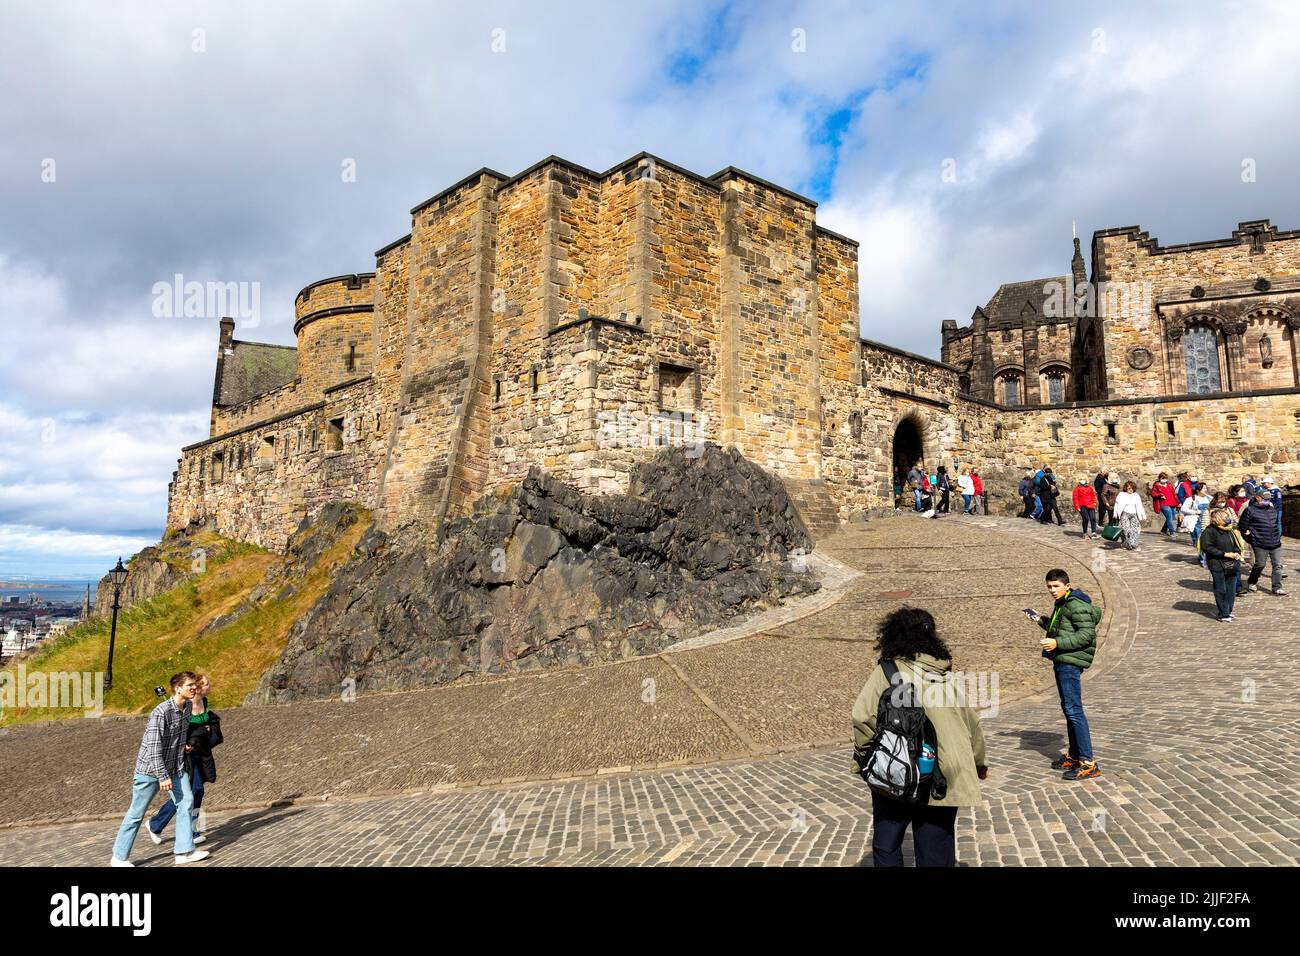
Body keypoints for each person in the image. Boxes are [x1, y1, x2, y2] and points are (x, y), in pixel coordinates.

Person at [851, 607, 988, 867]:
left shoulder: (888, 672)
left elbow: (862, 717)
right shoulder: (945, 675)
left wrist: (865, 758)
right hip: (944, 775)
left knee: (887, 844)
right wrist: (979, 763)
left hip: (896, 772)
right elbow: (972, 725)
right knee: (936, 847)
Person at [111, 672, 210, 867]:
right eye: (189, 685)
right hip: (150, 771)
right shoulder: (160, 712)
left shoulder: (188, 707)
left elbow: (178, 739)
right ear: (177, 688)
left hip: (175, 766)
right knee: (136, 813)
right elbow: (153, 748)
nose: (194, 688)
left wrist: (184, 752)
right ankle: (119, 857)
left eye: (194, 685)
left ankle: (183, 852)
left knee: (187, 801)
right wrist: (163, 776)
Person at [1027, 569, 1101, 780]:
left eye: (1056, 586)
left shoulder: (1075, 605)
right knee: (1069, 708)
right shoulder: (1063, 603)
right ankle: (1075, 755)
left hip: (1069, 661)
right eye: (1049, 586)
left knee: (1074, 709)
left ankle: (1088, 762)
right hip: (1062, 660)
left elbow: (1086, 635)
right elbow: (1060, 627)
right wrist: (1040, 620)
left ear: (1067, 586)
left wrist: (1057, 643)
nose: (1052, 590)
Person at [147, 673, 220, 846]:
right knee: (190, 792)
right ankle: (160, 824)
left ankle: (186, 828)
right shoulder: (188, 705)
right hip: (186, 755)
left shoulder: (204, 702)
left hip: (201, 752)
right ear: (200, 687)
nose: (210, 686)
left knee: (197, 791)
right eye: (207, 684)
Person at [1199, 509, 1245, 622]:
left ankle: (1228, 611)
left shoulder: (1229, 530)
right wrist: (1225, 554)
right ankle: (1223, 613)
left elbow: (1236, 545)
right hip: (1217, 564)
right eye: (1225, 517)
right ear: (1218, 518)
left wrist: (1237, 553)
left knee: (1231, 588)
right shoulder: (1209, 532)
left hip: (1232, 563)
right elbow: (1207, 547)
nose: (1228, 519)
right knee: (1220, 588)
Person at [1240, 490, 1287, 596]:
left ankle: (1277, 587)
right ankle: (1252, 582)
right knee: (1260, 565)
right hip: (1260, 543)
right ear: (1257, 498)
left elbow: (1275, 525)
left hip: (1275, 543)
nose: (1267, 500)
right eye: (1265, 498)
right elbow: (1242, 527)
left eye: (1268, 499)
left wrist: (1277, 536)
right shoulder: (1249, 510)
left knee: (1278, 565)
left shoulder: (1272, 510)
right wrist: (1250, 539)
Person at [1114, 480, 1147, 550]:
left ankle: (1133, 544)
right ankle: (1124, 543)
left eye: (1132, 488)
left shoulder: (1136, 495)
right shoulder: (1121, 495)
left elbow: (1139, 505)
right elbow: (1116, 505)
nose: (1131, 490)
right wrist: (1115, 514)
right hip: (1124, 514)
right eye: (1129, 488)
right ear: (1126, 488)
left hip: (1134, 514)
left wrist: (1143, 515)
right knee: (1125, 530)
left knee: (1134, 529)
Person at [1151, 472, 1179, 537]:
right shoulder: (1156, 485)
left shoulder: (1169, 485)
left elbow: (1174, 494)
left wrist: (1178, 502)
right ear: (1159, 478)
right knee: (1169, 518)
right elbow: (1153, 494)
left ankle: (1163, 530)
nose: (1164, 480)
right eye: (1163, 478)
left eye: (1166, 478)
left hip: (1172, 503)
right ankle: (1172, 532)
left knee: (1170, 518)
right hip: (1164, 503)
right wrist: (1160, 495)